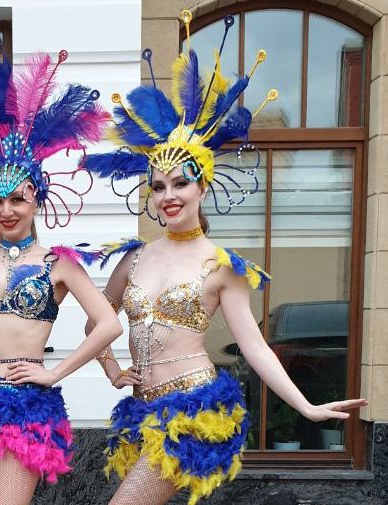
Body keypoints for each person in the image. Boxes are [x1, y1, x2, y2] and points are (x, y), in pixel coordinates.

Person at [83, 10, 368, 505]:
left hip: (193, 411)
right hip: (141, 411)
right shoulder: (133, 260)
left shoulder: (222, 266)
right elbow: (98, 321)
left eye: (180, 183)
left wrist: (307, 407)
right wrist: (110, 368)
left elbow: (255, 347)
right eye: (158, 186)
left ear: (202, 187)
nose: (168, 196)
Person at [0, 15, 122, 505]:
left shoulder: (59, 264)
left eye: (17, 199)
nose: (6, 210)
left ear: (36, 201)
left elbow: (109, 324)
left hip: (27, 403)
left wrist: (54, 372)